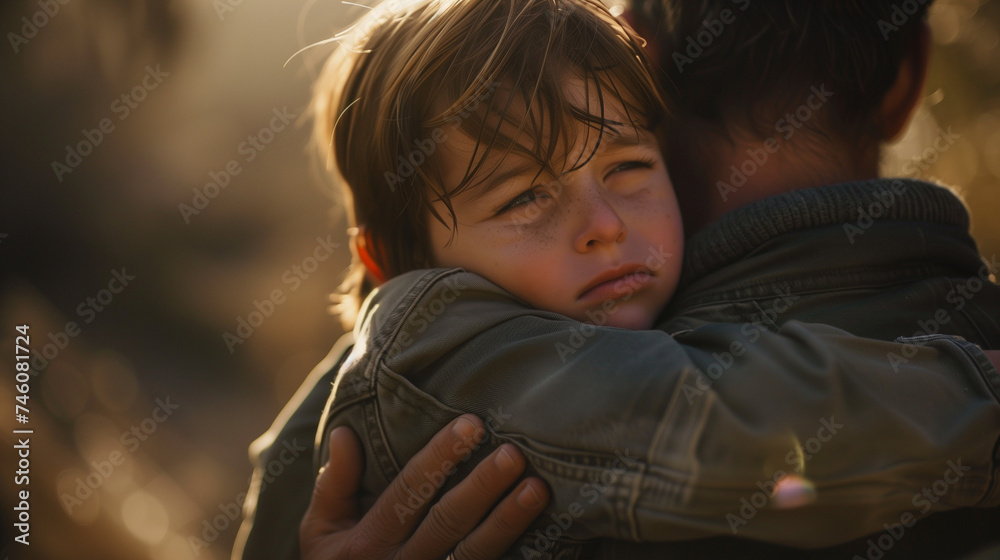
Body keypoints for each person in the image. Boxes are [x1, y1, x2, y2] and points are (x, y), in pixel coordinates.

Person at [232, 0, 1000, 559]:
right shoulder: (433, 348)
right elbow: (716, 424)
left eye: (628, 167)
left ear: (646, 67)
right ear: (911, 78)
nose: (601, 222)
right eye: (524, 195)